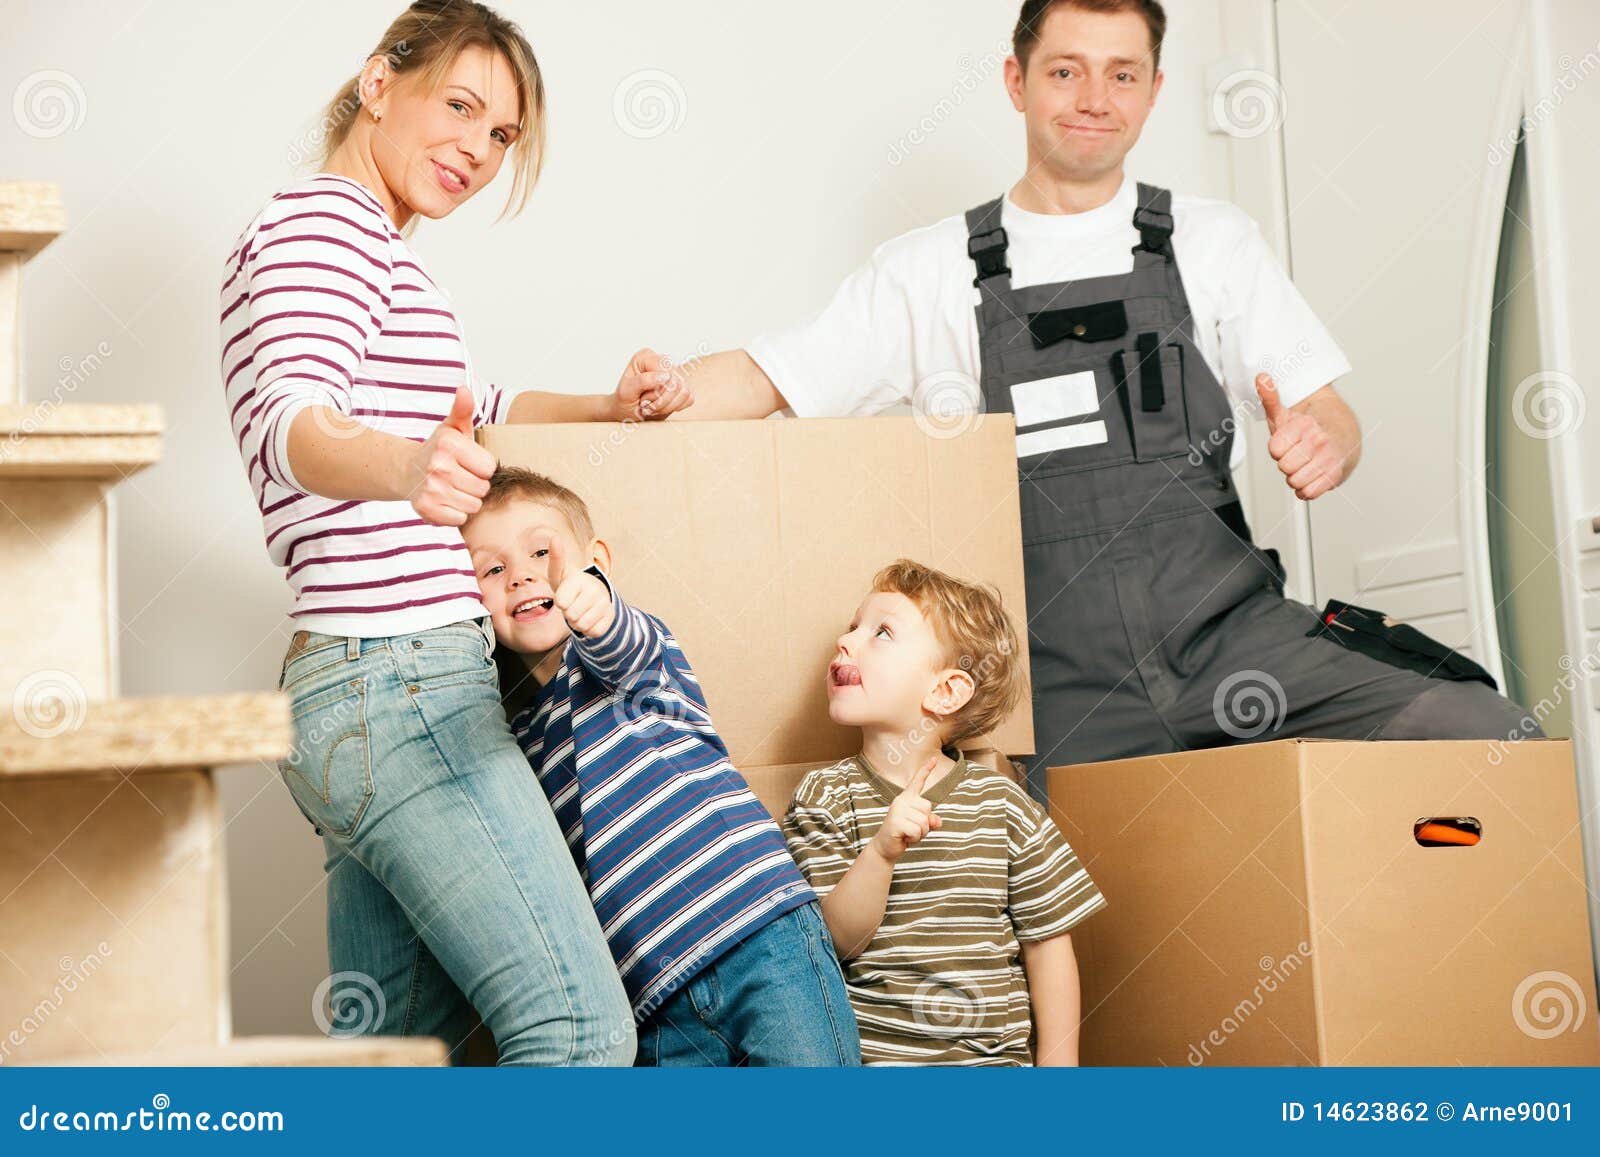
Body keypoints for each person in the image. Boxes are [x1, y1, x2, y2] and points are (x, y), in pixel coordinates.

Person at [622, 0, 1541, 794]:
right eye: (1066, 72)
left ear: (1153, 90)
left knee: (1486, 731)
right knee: (1034, 902)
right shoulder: (929, 269)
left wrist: (1328, 442)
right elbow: (767, 380)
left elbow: (1328, 412)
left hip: (1231, 643)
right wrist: (654, 395)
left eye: (1121, 75)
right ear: (1017, 81)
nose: (1095, 99)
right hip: (1050, 683)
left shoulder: (1212, 241)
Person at [222, 0, 684, 1063]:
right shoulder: (322, 224)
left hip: (356, 695)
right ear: (379, 81)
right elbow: (299, 418)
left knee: (399, 1063)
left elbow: (480, 401)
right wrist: (406, 467)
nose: (477, 150)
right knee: (576, 1029)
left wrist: (607, 407)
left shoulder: (382, 258)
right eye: (461, 106)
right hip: (401, 685)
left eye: (502, 134)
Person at [458, 466, 862, 1066]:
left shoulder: (633, 661)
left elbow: (620, 637)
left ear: (596, 560)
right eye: (492, 570)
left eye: (541, 552)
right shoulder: (513, 736)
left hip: (758, 934)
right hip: (650, 998)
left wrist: (595, 608)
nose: (519, 574)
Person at [782, 560, 1105, 1065]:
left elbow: (1049, 949)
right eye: (851, 629)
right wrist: (881, 854)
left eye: (881, 632)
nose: (846, 643)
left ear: (946, 691)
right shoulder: (823, 796)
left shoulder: (1005, 805)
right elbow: (830, 946)